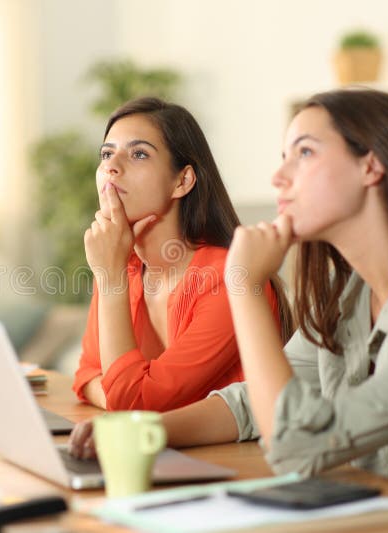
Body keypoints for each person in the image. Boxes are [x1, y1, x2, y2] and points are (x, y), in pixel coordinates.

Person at [70, 89, 388, 513]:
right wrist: (140, 433)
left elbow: (298, 443)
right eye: (284, 157)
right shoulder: (349, 298)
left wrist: (242, 284)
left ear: (370, 167)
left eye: (304, 153)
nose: (279, 178)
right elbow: (248, 405)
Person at [73, 97, 292, 412]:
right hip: (164, 453)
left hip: (234, 460)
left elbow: (134, 401)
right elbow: (86, 375)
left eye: (138, 153)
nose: (111, 166)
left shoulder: (226, 280)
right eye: (106, 153)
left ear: (182, 181)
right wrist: (122, 394)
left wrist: (110, 280)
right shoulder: (122, 262)